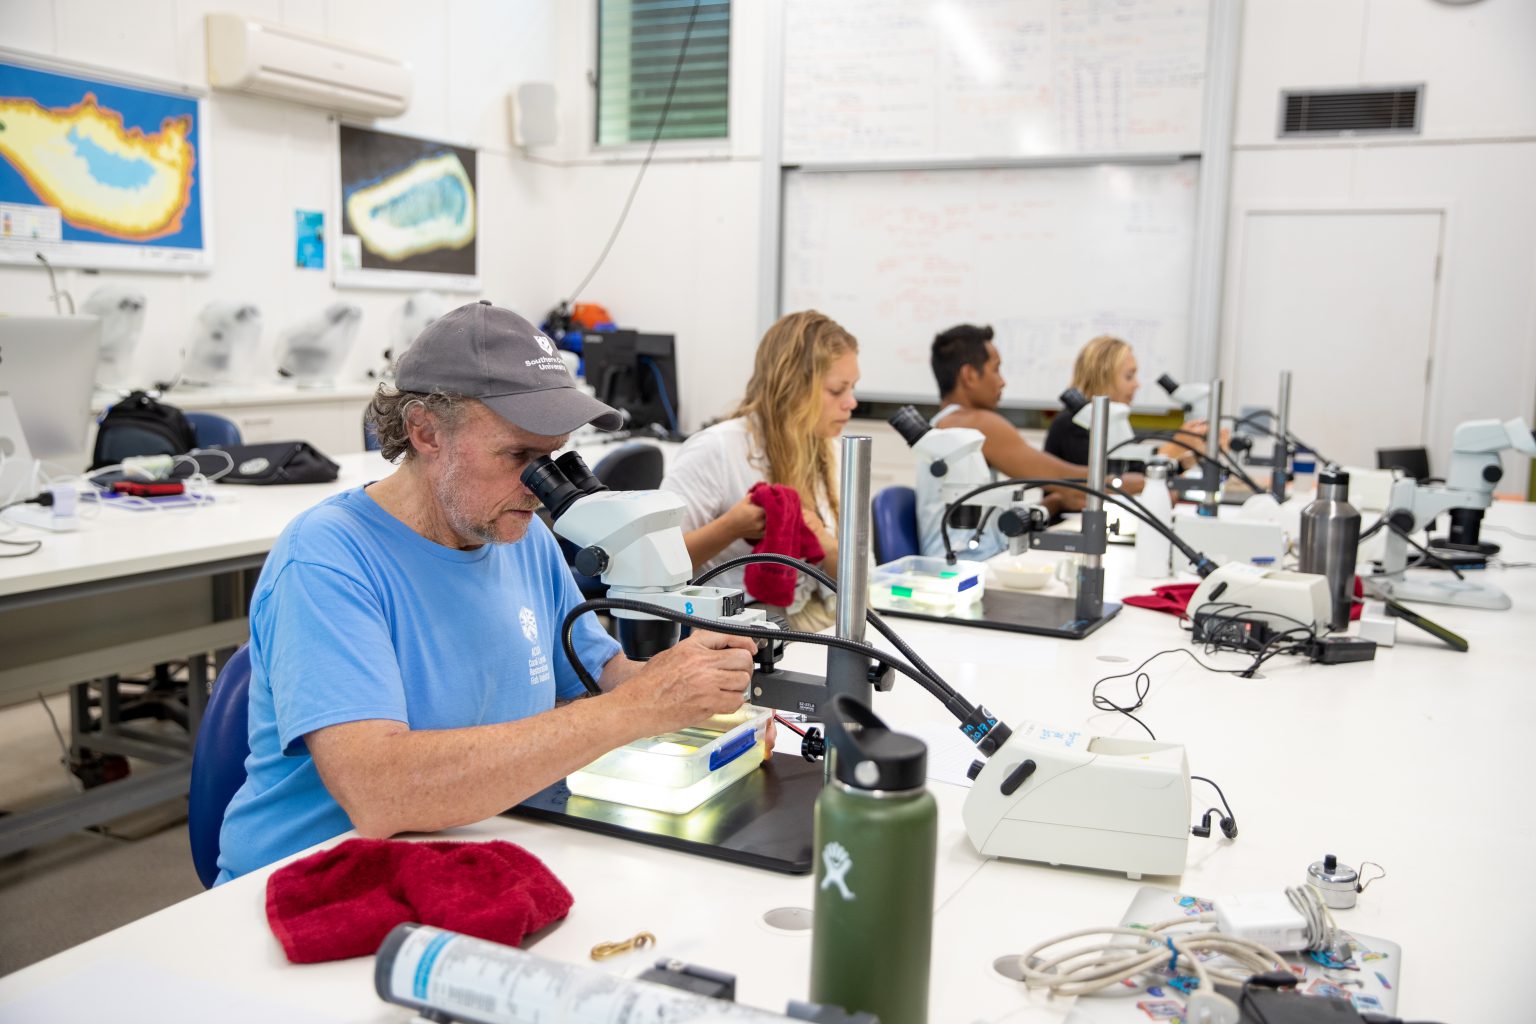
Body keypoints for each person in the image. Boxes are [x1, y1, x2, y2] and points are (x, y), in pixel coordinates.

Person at [216, 301, 758, 882]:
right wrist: (637, 707)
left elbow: (600, 685)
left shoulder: (521, 538)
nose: (537, 486)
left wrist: (694, 682)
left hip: (471, 852)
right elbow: (379, 791)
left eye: (550, 459)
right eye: (518, 456)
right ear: (425, 431)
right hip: (314, 883)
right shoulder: (327, 559)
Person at [661, 310, 858, 632]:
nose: (851, 403)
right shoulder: (717, 449)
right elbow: (657, 564)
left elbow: (854, 580)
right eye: (838, 390)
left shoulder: (828, 450)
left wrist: (827, 545)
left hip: (802, 620)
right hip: (733, 630)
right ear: (794, 386)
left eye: (852, 388)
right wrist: (731, 527)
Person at [917, 324, 1143, 560]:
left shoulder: (946, 422)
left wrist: (1055, 501)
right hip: (963, 568)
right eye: (996, 370)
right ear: (970, 376)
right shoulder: (975, 423)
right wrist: (1129, 483)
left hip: (969, 560)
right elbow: (1067, 480)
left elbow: (1061, 488)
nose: (1002, 382)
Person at [1043, 334, 1218, 469]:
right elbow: (1118, 481)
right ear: (1103, 376)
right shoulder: (1072, 425)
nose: (1137, 384)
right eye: (1129, 376)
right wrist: (1172, 449)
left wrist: (1193, 455)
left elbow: (1135, 468)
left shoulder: (1112, 421)